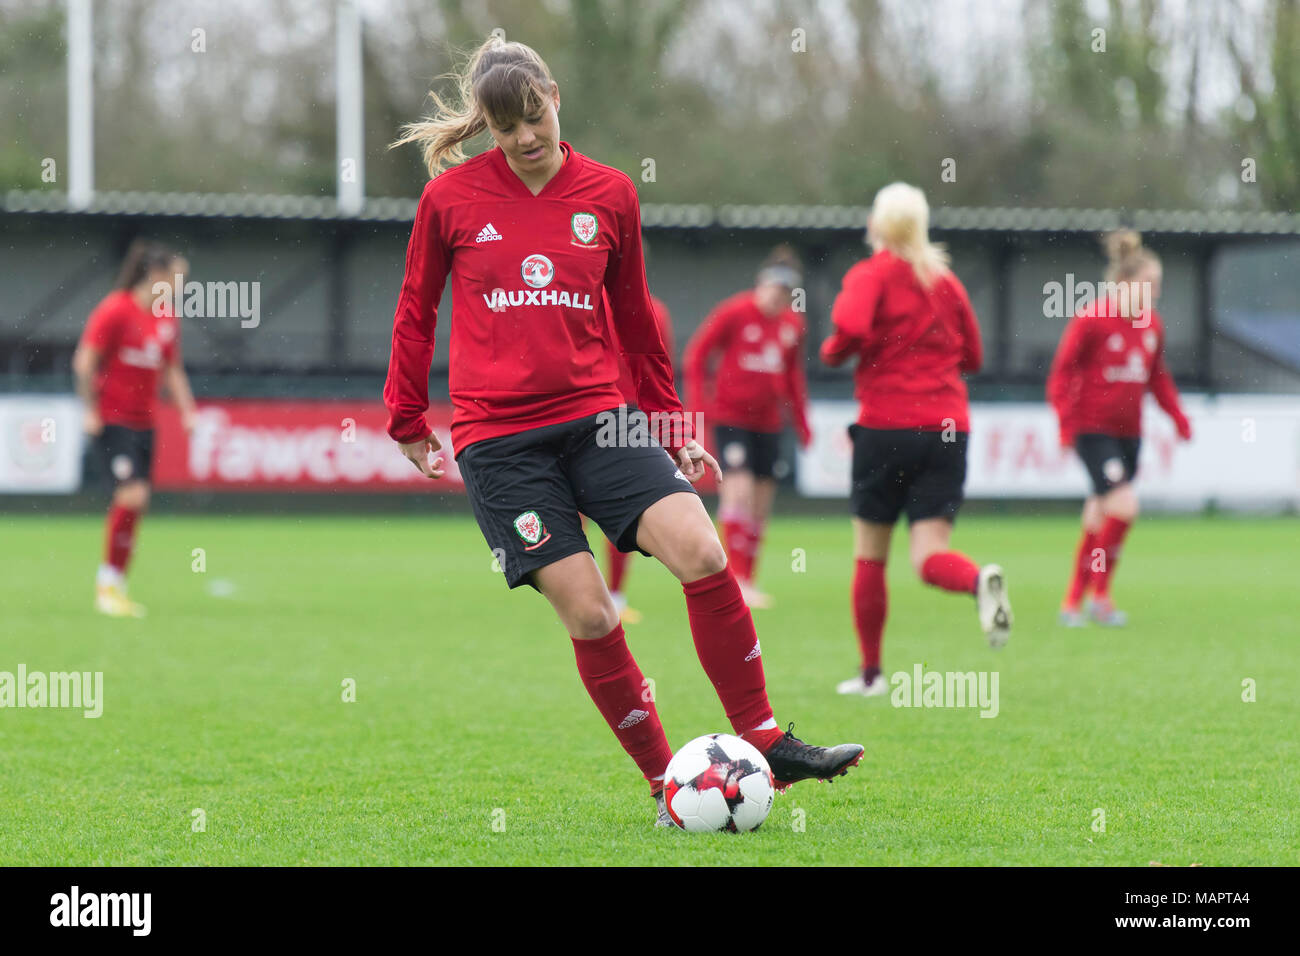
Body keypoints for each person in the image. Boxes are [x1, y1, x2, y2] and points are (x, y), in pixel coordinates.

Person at [384, 35, 862, 825]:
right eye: (507, 129)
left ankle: (765, 737)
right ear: (487, 128)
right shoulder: (450, 201)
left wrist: (673, 424)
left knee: (705, 551)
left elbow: (637, 321)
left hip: (600, 421)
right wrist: (406, 416)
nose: (526, 139)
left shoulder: (609, 194)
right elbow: (414, 311)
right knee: (593, 613)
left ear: (555, 96)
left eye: (534, 118)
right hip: (499, 442)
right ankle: (665, 785)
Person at [820, 182, 1011, 697]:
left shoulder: (870, 274)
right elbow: (972, 355)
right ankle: (976, 581)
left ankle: (871, 673)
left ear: (878, 226)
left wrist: (834, 348)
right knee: (929, 555)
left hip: (886, 427)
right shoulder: (944, 281)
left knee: (870, 556)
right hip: (948, 430)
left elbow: (850, 327)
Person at [1047, 230, 1192, 627]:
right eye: (1151, 284)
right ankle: (1102, 594)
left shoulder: (1152, 326)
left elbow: (1157, 377)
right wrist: (1065, 427)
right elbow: (1061, 376)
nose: (1156, 292)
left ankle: (1073, 601)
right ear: (1126, 284)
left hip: (1131, 434)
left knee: (1098, 514)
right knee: (1125, 506)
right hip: (1093, 430)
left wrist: (1178, 418)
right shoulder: (1092, 320)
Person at [683, 245, 812, 609]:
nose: (777, 297)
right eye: (773, 288)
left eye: (785, 292)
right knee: (736, 491)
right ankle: (734, 579)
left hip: (769, 424)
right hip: (732, 420)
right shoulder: (735, 312)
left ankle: (749, 578)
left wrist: (802, 423)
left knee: (760, 505)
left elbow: (793, 376)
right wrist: (700, 408)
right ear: (761, 284)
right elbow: (697, 355)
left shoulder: (792, 326)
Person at [73, 239, 197, 617]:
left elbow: (171, 370)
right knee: (131, 497)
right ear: (156, 275)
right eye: (178, 278)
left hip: (145, 424)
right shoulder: (115, 310)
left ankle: (116, 585)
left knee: (137, 503)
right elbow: (84, 362)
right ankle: (107, 585)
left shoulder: (165, 318)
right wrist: (90, 410)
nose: (181, 286)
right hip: (113, 420)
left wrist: (188, 411)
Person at [600, 288, 676, 625]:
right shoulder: (579, 298)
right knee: (609, 506)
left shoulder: (654, 309)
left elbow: (661, 365)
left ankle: (611, 597)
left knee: (615, 506)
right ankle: (600, 598)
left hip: (628, 415)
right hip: (596, 407)